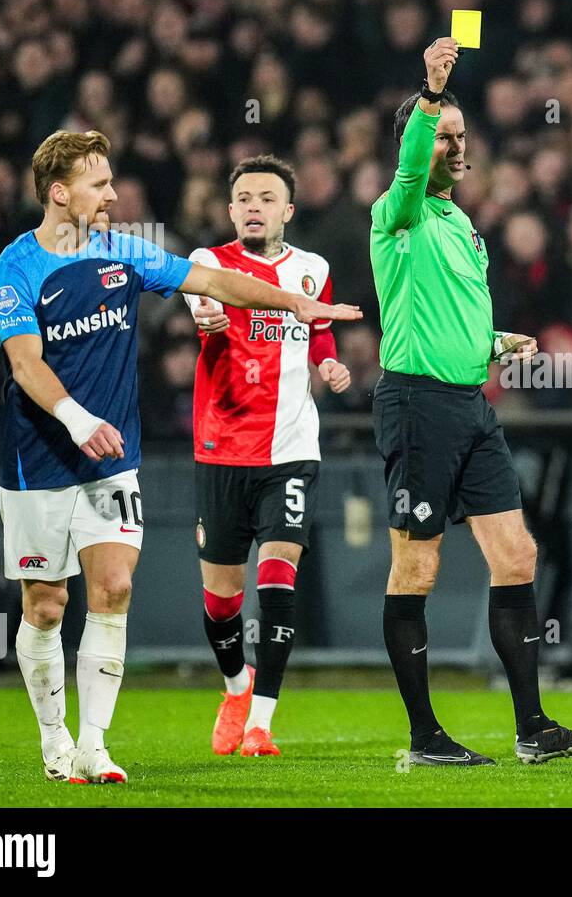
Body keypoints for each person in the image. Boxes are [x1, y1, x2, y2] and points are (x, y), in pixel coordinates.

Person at [0, 130, 357, 784]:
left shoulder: (126, 253)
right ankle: (55, 739)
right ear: (59, 192)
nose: (112, 193)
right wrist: (75, 418)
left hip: (113, 459)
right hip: (40, 457)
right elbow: (25, 362)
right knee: (46, 604)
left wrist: (293, 302)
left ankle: (95, 748)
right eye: (98, 183)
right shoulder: (13, 269)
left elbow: (215, 280)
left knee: (114, 589)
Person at [368, 37, 572, 765]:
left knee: (517, 554)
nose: (458, 145)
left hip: (470, 404)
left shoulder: (460, 223)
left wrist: (497, 341)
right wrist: (432, 90)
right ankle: (424, 735)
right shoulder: (397, 211)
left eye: (463, 135)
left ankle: (532, 727)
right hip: (415, 403)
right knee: (417, 568)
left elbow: (446, 311)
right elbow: (410, 166)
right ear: (417, 139)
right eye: (446, 134)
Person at [181, 155, 353, 757]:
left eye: (266, 197)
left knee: (279, 578)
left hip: (290, 450)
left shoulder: (313, 269)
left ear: (287, 211)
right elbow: (203, 311)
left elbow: (318, 329)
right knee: (222, 601)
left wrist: (326, 361)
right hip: (222, 448)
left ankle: (261, 722)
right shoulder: (209, 264)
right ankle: (235, 686)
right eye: (244, 197)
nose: (254, 205)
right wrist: (204, 320)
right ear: (231, 212)